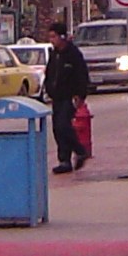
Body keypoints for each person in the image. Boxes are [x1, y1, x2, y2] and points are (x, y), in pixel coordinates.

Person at [45, 19, 92, 174]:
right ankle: (64, 160)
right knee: (57, 129)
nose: (52, 40)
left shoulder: (73, 54)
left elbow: (82, 75)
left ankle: (80, 150)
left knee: (63, 125)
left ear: (62, 37)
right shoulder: (54, 54)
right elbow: (50, 73)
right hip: (56, 97)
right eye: (50, 37)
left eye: (54, 37)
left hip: (69, 97)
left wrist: (80, 95)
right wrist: (49, 88)